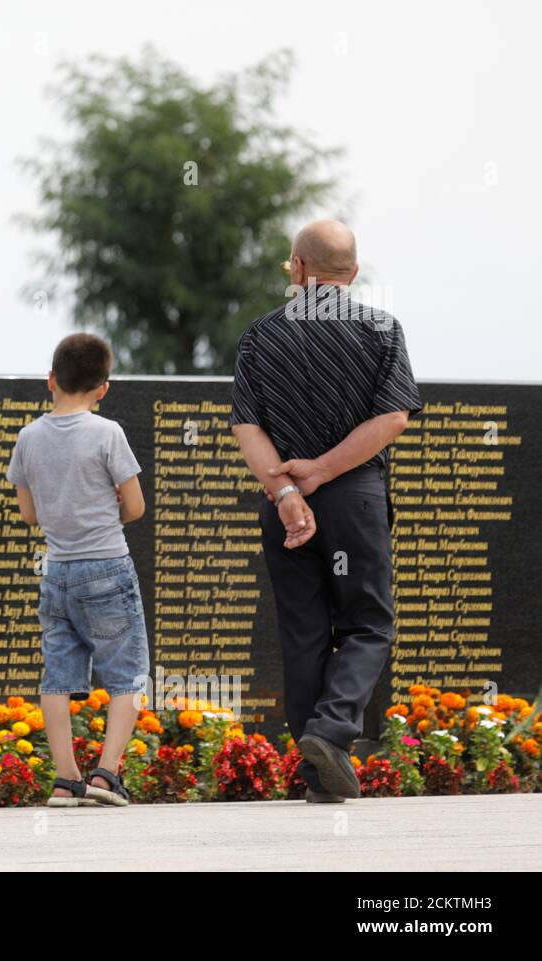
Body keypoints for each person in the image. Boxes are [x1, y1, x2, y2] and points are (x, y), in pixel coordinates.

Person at [230, 219, 422, 802]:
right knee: (368, 623)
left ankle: (317, 774)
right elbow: (392, 418)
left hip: (285, 505)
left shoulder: (260, 336)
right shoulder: (382, 330)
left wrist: (289, 492)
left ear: (297, 267)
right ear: (353, 272)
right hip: (354, 499)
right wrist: (323, 471)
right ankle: (332, 732)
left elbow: (247, 426)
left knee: (304, 633)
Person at [6, 332, 148, 808]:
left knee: (58, 676)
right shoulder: (108, 434)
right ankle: (105, 776)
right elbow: (135, 505)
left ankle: (66, 781)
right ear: (103, 388)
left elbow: (29, 514)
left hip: (57, 570)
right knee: (126, 675)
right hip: (108, 564)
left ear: (51, 380)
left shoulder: (28, 437)